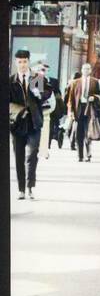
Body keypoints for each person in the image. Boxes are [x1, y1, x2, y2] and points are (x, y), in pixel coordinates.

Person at [9, 48, 45, 199]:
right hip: (17, 124)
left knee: (32, 154)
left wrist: (39, 94)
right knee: (19, 157)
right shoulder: (10, 80)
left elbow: (45, 97)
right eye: (20, 62)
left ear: (29, 62)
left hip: (34, 123)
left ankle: (30, 187)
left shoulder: (38, 78)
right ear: (16, 63)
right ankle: (21, 189)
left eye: (25, 61)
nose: (22, 65)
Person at [66, 64, 100, 162]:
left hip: (89, 109)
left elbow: (99, 96)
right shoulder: (75, 82)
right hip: (78, 110)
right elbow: (70, 99)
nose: (86, 70)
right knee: (79, 134)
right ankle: (80, 155)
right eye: (84, 69)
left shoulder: (95, 82)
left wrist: (94, 97)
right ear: (82, 70)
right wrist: (70, 112)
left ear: (90, 70)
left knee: (88, 132)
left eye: (88, 69)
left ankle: (88, 154)